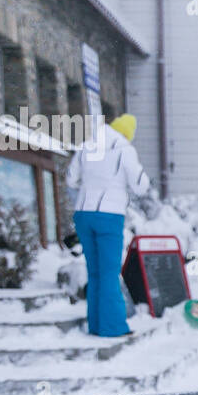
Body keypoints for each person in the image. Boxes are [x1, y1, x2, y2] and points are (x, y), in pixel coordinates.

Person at [65, 113, 151, 337]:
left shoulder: (87, 146)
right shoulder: (124, 150)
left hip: (83, 214)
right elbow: (141, 185)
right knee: (109, 273)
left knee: (94, 272)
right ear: (127, 134)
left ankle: (96, 325)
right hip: (109, 215)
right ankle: (112, 327)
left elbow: (71, 179)